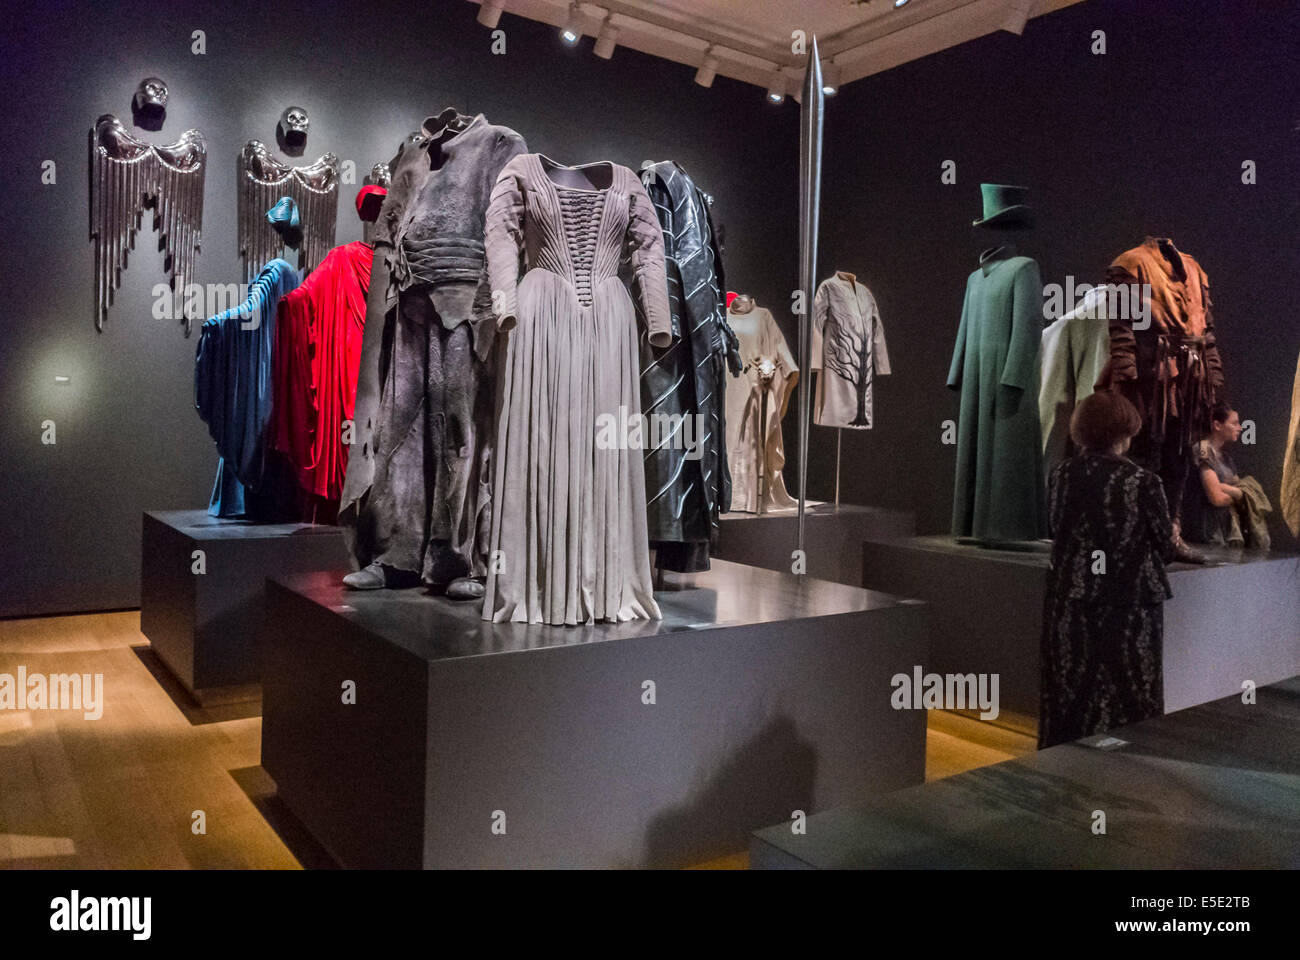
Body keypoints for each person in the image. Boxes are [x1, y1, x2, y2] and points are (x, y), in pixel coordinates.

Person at [1039, 391, 1173, 749]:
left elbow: (1057, 529)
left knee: (1070, 683)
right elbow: (1164, 545)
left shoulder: (1061, 475)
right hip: (1129, 601)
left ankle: (1064, 754)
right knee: (1130, 687)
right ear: (1123, 432)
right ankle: (1131, 755)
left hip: (1070, 595)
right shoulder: (1144, 482)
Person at [1185, 402, 1272, 549]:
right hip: (1208, 535)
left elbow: (1239, 489)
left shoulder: (1226, 457)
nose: (1240, 428)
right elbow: (1216, 498)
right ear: (1217, 425)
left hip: (1225, 533)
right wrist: (1240, 495)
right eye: (1235, 423)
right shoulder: (1203, 449)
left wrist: (1232, 490)